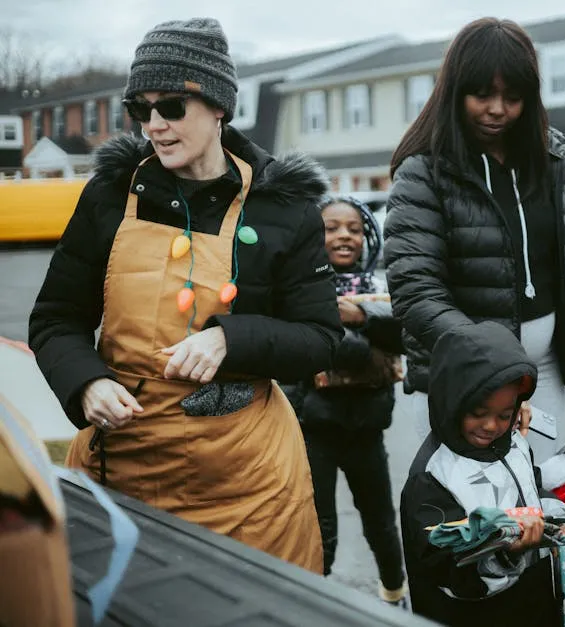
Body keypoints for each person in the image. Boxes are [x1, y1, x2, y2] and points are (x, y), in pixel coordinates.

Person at [27, 18, 343, 573]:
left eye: (172, 106)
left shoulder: (283, 206)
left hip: (249, 489)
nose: (154, 125)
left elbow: (319, 339)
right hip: (123, 471)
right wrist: (86, 383)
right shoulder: (109, 194)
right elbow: (56, 320)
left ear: (219, 106)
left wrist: (230, 339)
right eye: (140, 109)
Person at [383, 17, 565, 464]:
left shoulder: (554, 163)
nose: (497, 109)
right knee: (477, 523)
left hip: (542, 375)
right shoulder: (424, 172)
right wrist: (490, 368)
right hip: (463, 385)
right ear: (455, 92)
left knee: (532, 509)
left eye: (513, 97)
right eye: (482, 94)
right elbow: (415, 290)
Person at [400, 320, 565, 627]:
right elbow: (442, 567)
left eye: (504, 414)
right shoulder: (432, 476)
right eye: (478, 413)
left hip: (530, 602)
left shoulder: (512, 442)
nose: (491, 426)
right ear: (452, 401)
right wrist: (508, 551)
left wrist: (558, 524)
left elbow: (531, 490)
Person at [282, 195, 407, 607]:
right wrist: (368, 346)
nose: (343, 236)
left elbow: (404, 334)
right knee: (321, 526)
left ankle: (395, 594)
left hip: (368, 430)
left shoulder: (380, 287)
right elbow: (315, 351)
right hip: (316, 428)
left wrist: (359, 317)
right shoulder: (301, 287)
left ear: (367, 234)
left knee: (381, 524)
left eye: (353, 229)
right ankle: (320, 601)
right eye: (331, 227)